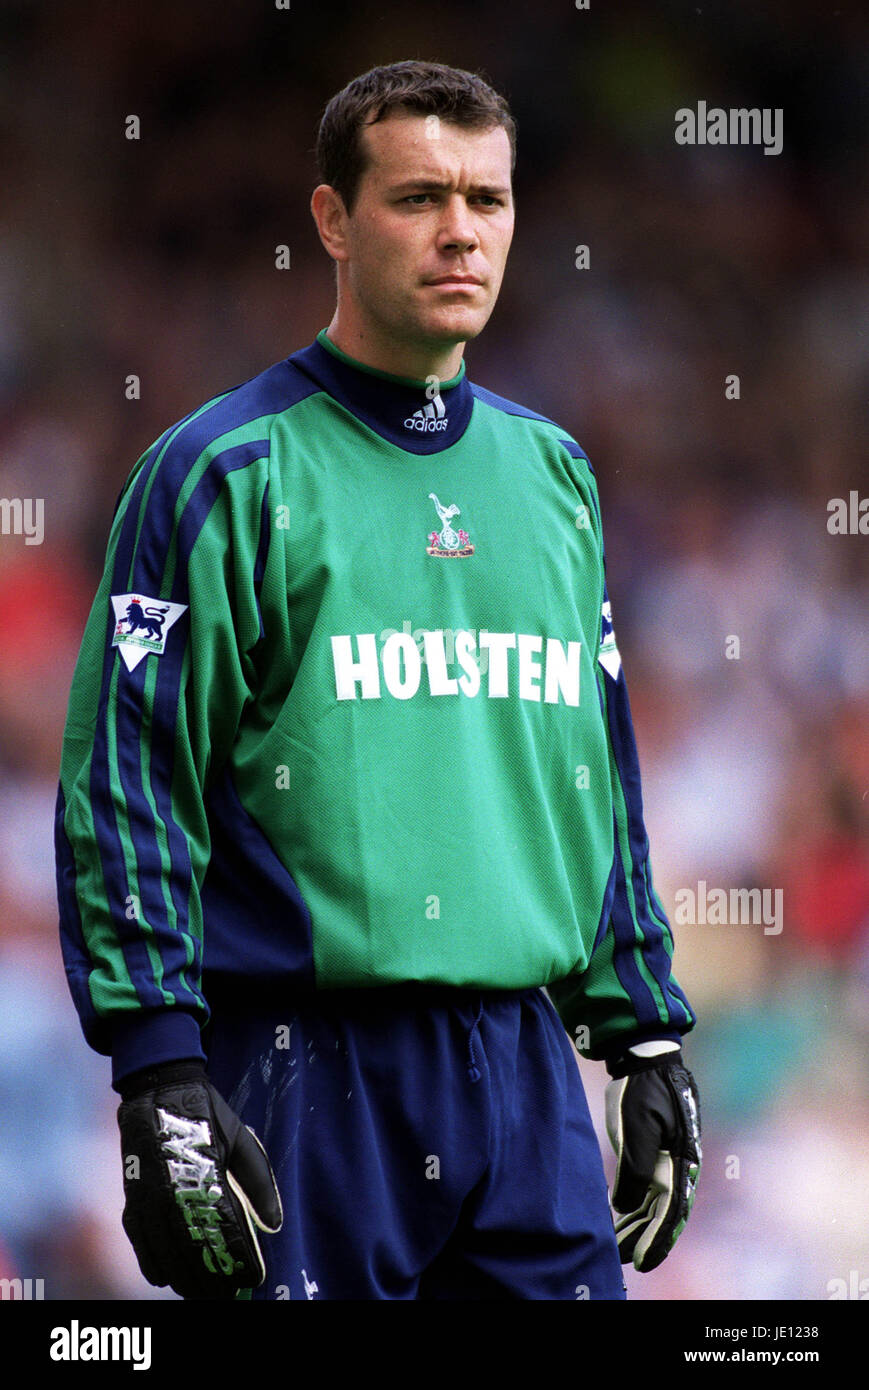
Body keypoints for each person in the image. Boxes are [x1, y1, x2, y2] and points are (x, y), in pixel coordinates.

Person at [55, 59, 701, 1301]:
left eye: (487, 200)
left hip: (524, 1067)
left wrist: (642, 1023)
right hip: (307, 1063)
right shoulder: (218, 473)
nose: (460, 230)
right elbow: (129, 779)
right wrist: (157, 1068)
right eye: (416, 197)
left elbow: (587, 772)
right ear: (333, 220)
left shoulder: (555, 476)